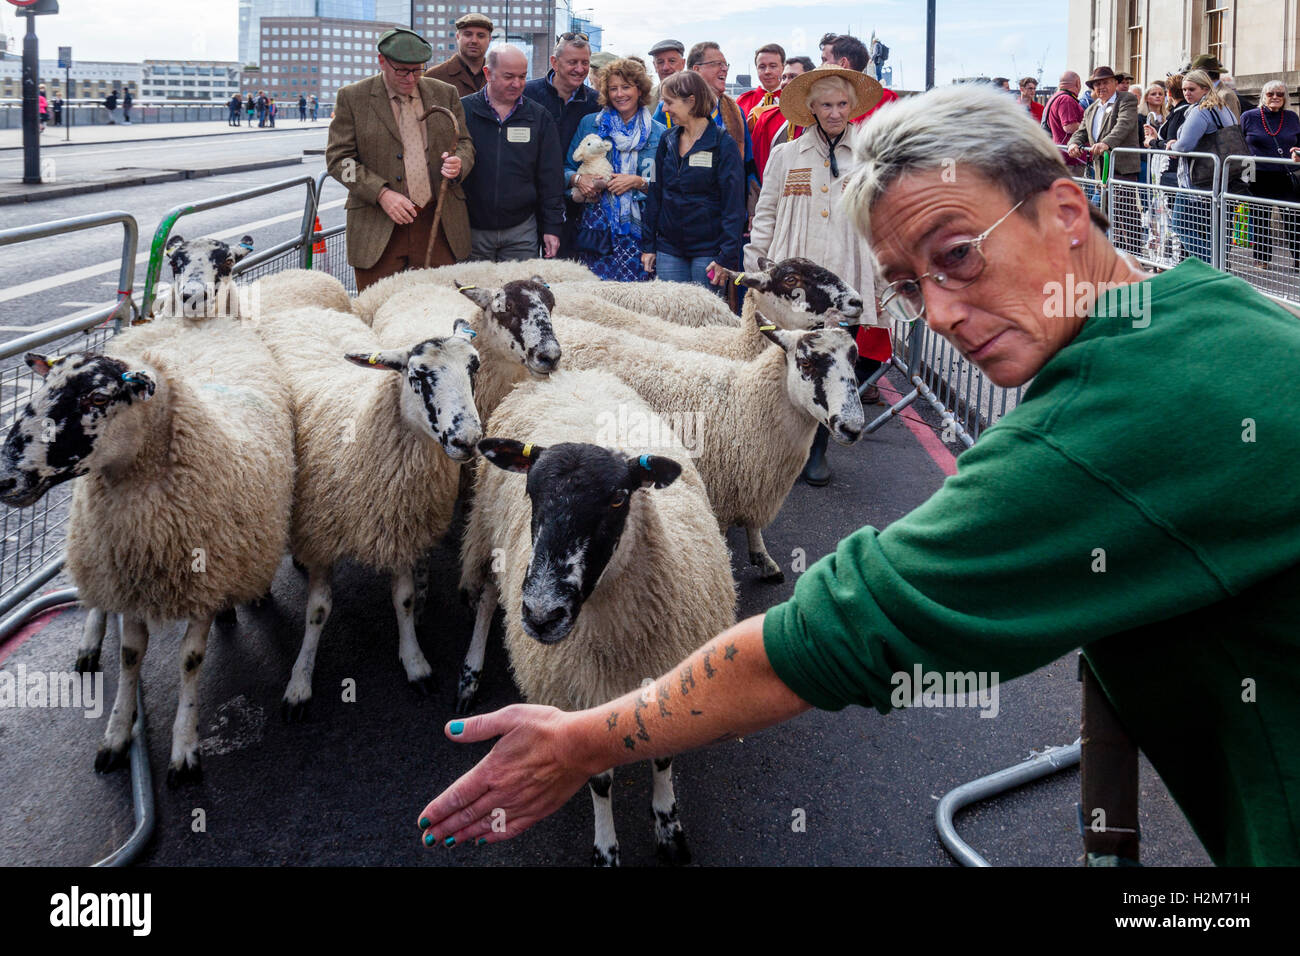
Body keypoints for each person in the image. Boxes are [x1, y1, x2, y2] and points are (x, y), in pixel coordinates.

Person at [416, 84, 1300, 868]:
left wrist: (586, 739)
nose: (943, 314)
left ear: (1068, 211)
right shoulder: (1206, 309)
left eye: (957, 253)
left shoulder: (1106, 429)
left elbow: (848, 623)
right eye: (909, 287)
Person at [737, 65, 887, 486]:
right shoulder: (786, 155)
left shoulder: (870, 156)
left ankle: (818, 447)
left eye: (841, 104)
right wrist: (756, 263)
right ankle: (780, 445)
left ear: (852, 107)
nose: (834, 113)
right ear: (811, 108)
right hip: (795, 286)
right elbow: (764, 212)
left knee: (834, 361)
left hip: (846, 273)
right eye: (826, 105)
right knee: (786, 361)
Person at [325, 27, 474, 291]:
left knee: (438, 309)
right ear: (382, 61)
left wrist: (460, 162)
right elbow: (339, 161)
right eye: (402, 71)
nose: (411, 78)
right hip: (378, 228)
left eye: (418, 70)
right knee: (379, 311)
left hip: (437, 224)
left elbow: (464, 143)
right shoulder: (352, 98)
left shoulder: (445, 94)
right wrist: (381, 193)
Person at [641, 69, 744, 288]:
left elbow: (733, 206)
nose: (664, 109)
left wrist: (725, 257)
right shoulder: (667, 140)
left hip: (709, 253)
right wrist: (649, 246)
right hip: (669, 249)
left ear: (691, 101)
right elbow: (655, 193)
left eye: (669, 102)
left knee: (705, 319)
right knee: (670, 317)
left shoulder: (723, 143)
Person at [565, 57, 665, 280]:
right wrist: (579, 180)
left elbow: (666, 185)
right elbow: (566, 169)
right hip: (597, 229)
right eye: (613, 89)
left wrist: (637, 182)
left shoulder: (659, 132)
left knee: (639, 300)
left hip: (641, 232)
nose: (620, 94)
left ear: (640, 90)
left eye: (626, 87)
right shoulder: (590, 124)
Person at [462, 46, 564, 262]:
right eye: (509, 76)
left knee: (519, 293)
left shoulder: (539, 118)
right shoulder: (463, 112)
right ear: (488, 73)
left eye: (522, 76)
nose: (517, 84)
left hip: (521, 231)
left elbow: (551, 177)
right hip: (471, 230)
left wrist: (552, 226)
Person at [523, 33, 600, 260]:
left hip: (575, 205)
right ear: (554, 63)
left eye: (584, 62)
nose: (579, 69)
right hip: (530, 202)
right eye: (572, 62)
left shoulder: (595, 102)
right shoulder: (528, 95)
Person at [1159, 69, 1240, 264]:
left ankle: (1212, 263)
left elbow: (1185, 145)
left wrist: (1172, 145)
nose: (1187, 93)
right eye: (1184, 89)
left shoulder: (1200, 110)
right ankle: (1217, 265)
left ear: (1205, 88)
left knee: (1180, 224)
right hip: (1223, 177)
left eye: (1191, 89)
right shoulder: (1223, 107)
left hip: (1197, 180)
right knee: (1213, 230)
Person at [1067, 66, 1141, 255]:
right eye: (1097, 84)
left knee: (1126, 214)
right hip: (1101, 171)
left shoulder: (1127, 100)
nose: (1101, 87)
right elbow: (1081, 131)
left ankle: (1134, 257)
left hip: (1122, 168)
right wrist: (1074, 144)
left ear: (1115, 83)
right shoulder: (1091, 108)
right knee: (1107, 214)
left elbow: (1124, 124)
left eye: (1106, 82)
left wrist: (1107, 143)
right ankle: (1115, 256)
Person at [1240, 80, 1300, 267]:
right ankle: (1262, 258)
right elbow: (1240, 145)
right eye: (1270, 94)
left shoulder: (1291, 117)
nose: (1275, 97)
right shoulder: (1249, 116)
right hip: (1258, 174)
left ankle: (1298, 259)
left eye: (1280, 94)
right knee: (1260, 218)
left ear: (1285, 97)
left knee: (1293, 218)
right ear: (1263, 96)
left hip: (1285, 173)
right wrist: (1243, 176)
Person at [751, 56, 814, 169]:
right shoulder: (767, 118)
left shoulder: (822, 117)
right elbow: (758, 161)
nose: (785, 82)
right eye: (784, 77)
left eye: (792, 77)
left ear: (810, 81)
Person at [424, 12, 492, 98]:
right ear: (457, 37)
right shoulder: (434, 76)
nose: (474, 40)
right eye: (468, 34)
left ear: (489, 39)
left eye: (481, 36)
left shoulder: (498, 75)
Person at [736, 43, 785, 136]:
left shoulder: (793, 101)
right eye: (762, 67)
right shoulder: (743, 101)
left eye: (773, 66)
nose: (767, 72)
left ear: (783, 67)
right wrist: (746, 131)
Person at [1045, 71, 1086, 171]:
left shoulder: (1056, 97)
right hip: (1071, 159)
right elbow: (1069, 127)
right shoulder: (1066, 99)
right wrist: (1088, 126)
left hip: (1063, 155)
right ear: (1078, 83)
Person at [1189, 54, 1240, 119]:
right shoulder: (1204, 92)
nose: (1194, 78)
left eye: (1196, 75)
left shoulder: (1226, 95)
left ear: (1205, 74)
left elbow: (1232, 125)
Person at [648, 38, 686, 107]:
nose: (666, 67)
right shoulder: (646, 99)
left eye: (672, 61)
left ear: (683, 63)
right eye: (660, 62)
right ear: (655, 66)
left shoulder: (698, 95)